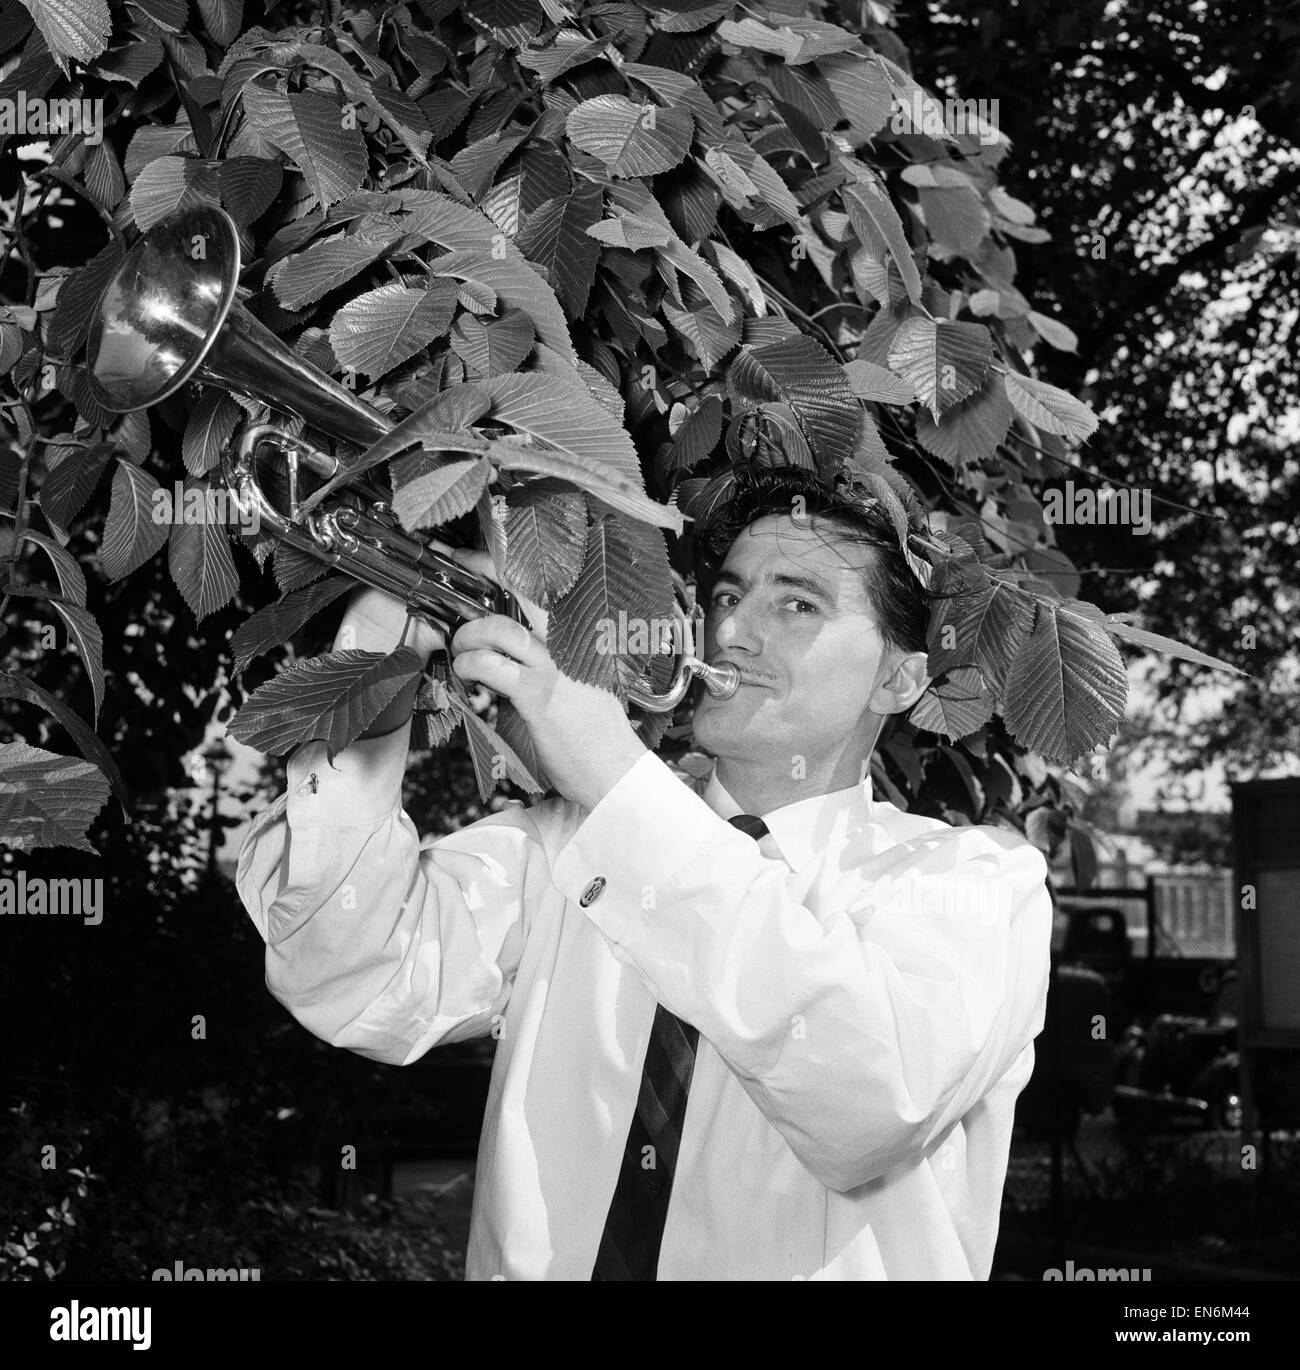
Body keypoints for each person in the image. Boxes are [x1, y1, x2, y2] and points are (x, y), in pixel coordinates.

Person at [235, 465, 1053, 1280]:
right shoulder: (560, 846)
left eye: (797, 603)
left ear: (899, 678)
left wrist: (617, 778)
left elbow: (873, 1100)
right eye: (730, 597)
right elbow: (344, 974)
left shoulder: (979, 883)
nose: (731, 632)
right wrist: (377, 641)